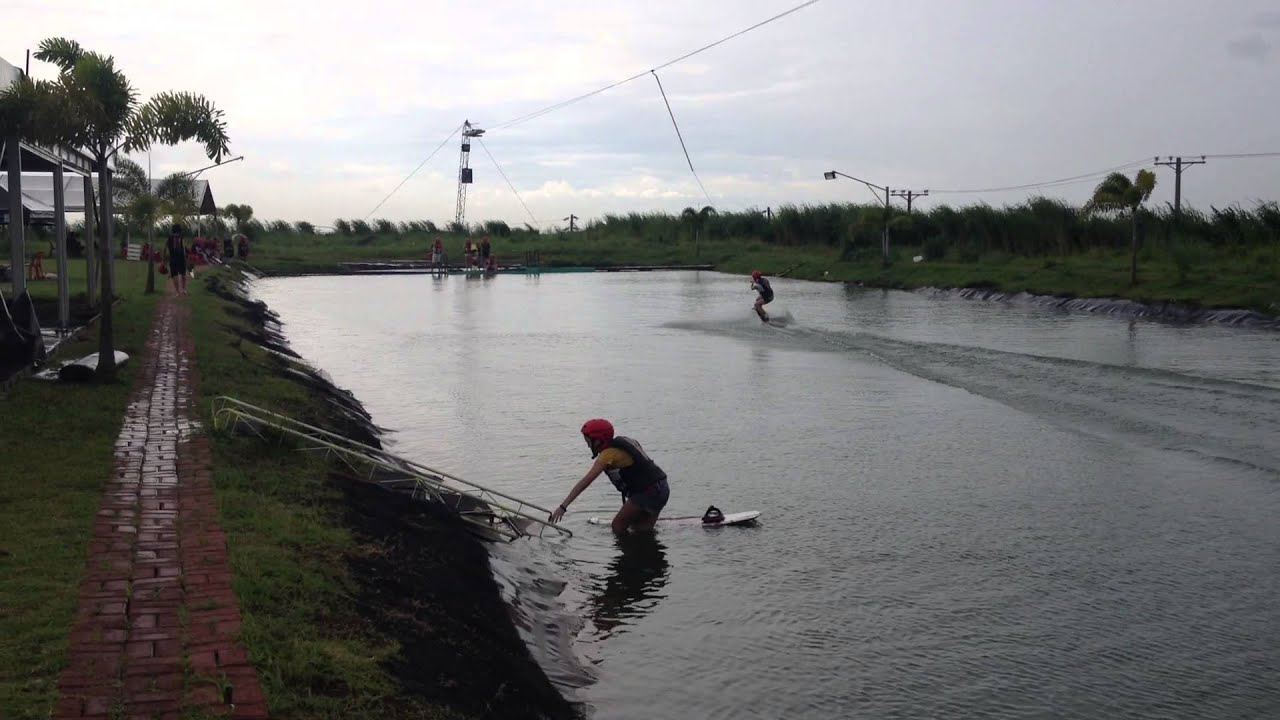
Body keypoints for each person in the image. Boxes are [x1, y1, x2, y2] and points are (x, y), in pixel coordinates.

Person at [549, 419, 670, 535]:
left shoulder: (608, 455)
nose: (588, 446)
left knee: (617, 526)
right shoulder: (626, 441)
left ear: (598, 440)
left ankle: (627, 554)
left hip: (647, 492)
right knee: (640, 530)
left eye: (588, 441)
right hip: (662, 488)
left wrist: (563, 507)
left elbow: (586, 481)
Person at [164, 225, 188, 295]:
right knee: (183, 273)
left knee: (174, 274)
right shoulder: (181, 236)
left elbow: (165, 248)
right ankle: (184, 289)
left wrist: (164, 258)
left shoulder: (169, 237)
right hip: (181, 257)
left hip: (172, 257)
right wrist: (185, 257)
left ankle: (177, 291)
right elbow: (183, 248)